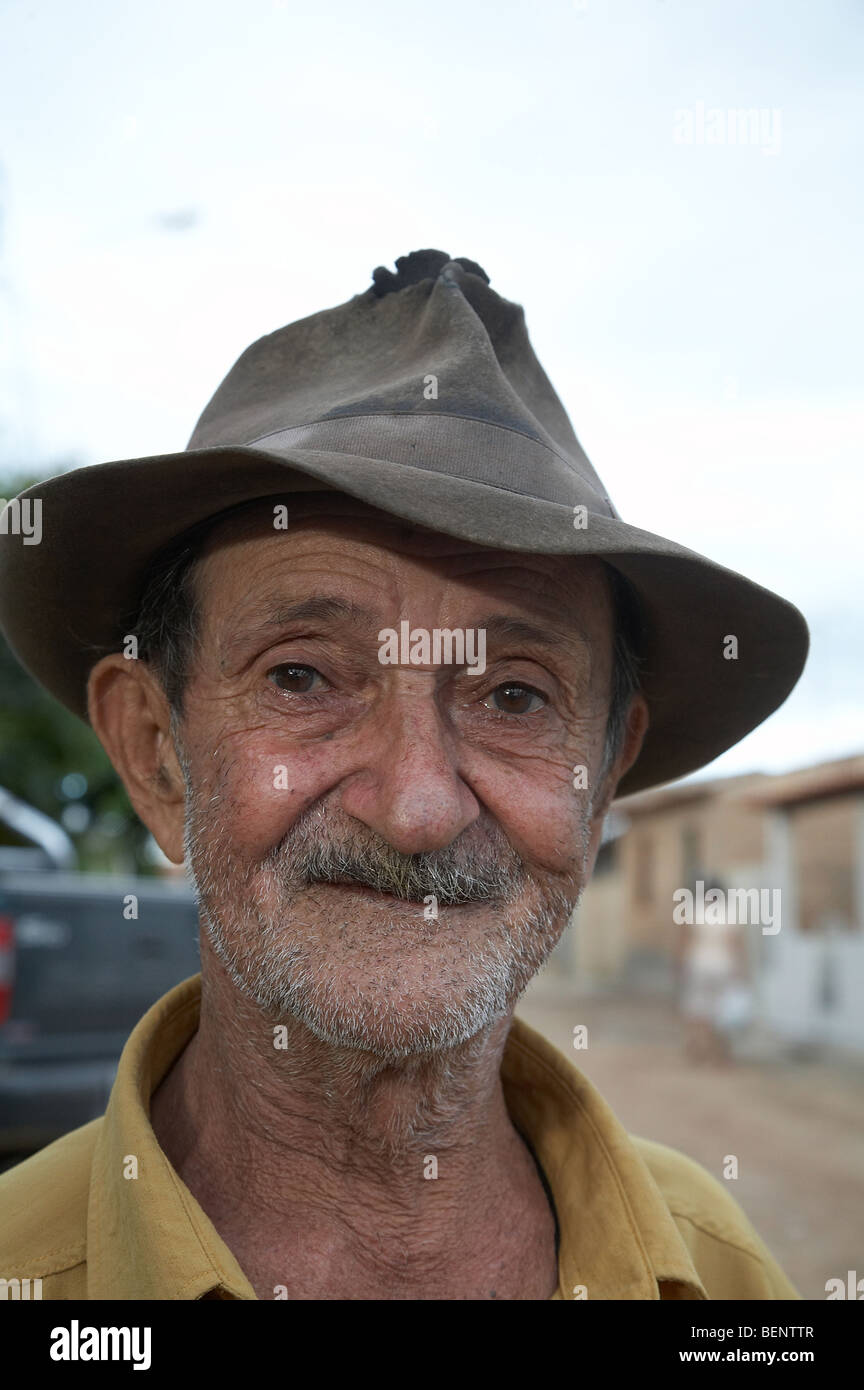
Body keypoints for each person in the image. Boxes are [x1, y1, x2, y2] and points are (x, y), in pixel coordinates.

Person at [0, 249, 807, 1299]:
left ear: (603, 780)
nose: (419, 807)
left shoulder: (727, 1282)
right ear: (156, 752)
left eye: (514, 695)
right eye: (302, 676)